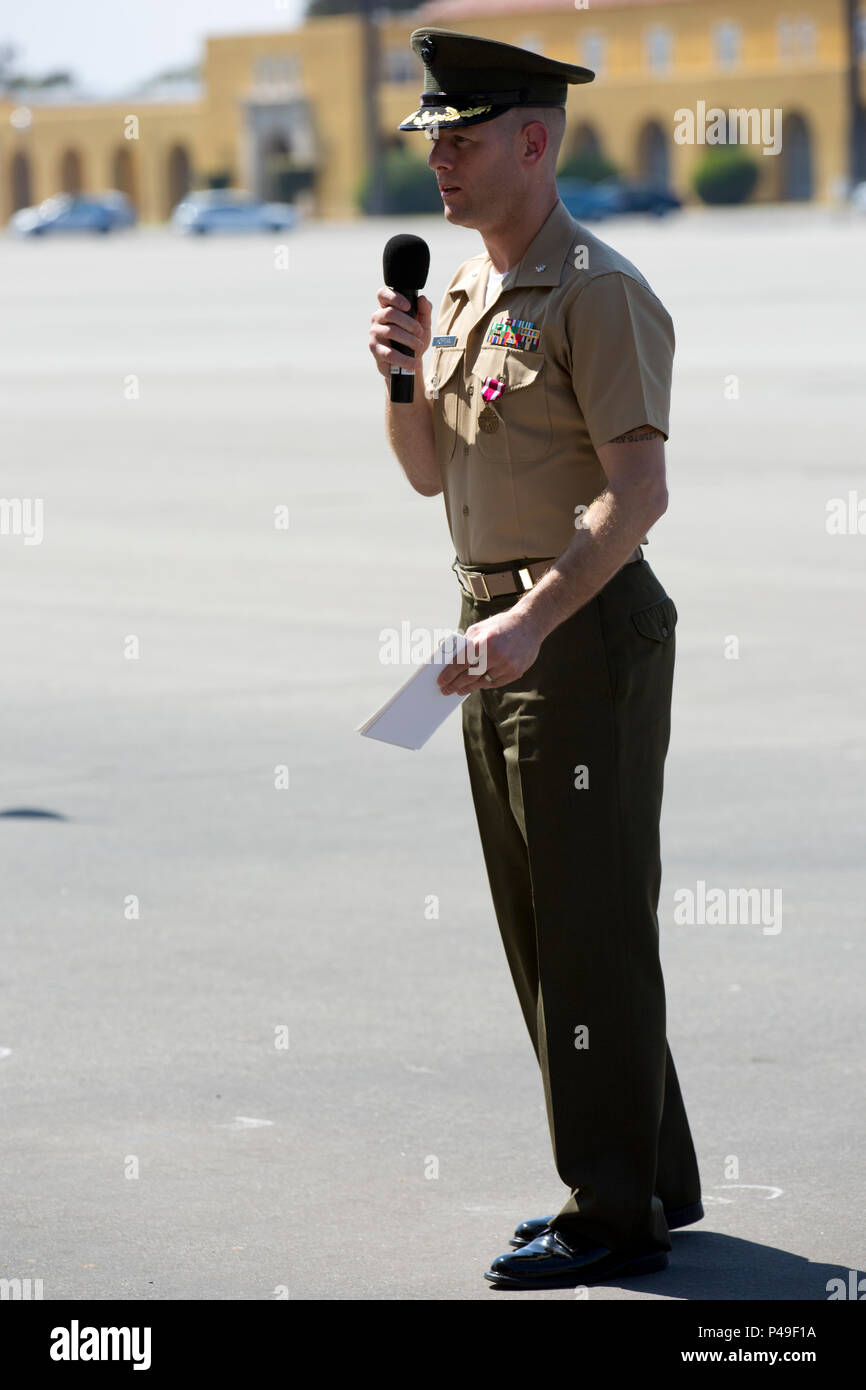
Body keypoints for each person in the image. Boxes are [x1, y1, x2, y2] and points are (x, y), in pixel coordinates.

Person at [368, 27, 702, 1291]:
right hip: (494, 637)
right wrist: (401, 384)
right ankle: (652, 1171)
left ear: (532, 139)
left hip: (575, 636)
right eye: (431, 139)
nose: (440, 161)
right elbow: (424, 476)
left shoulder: (596, 290)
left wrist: (531, 621)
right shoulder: (457, 293)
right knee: (549, 923)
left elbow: (637, 495)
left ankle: (608, 1211)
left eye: (460, 137)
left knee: (586, 930)